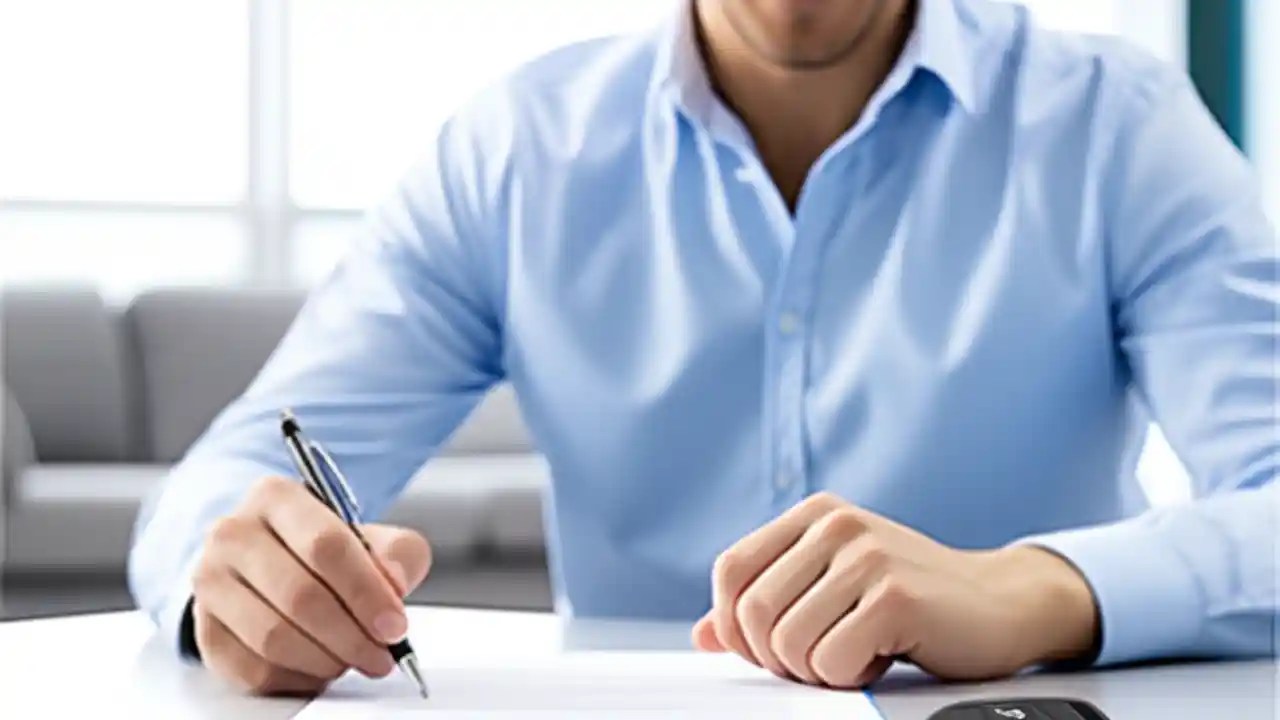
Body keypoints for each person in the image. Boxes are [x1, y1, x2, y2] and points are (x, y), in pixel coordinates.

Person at [130, 0, 1278, 696]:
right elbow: (230, 481)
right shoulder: (517, 151)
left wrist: (1031, 591)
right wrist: (233, 587)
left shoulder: (1113, 124)